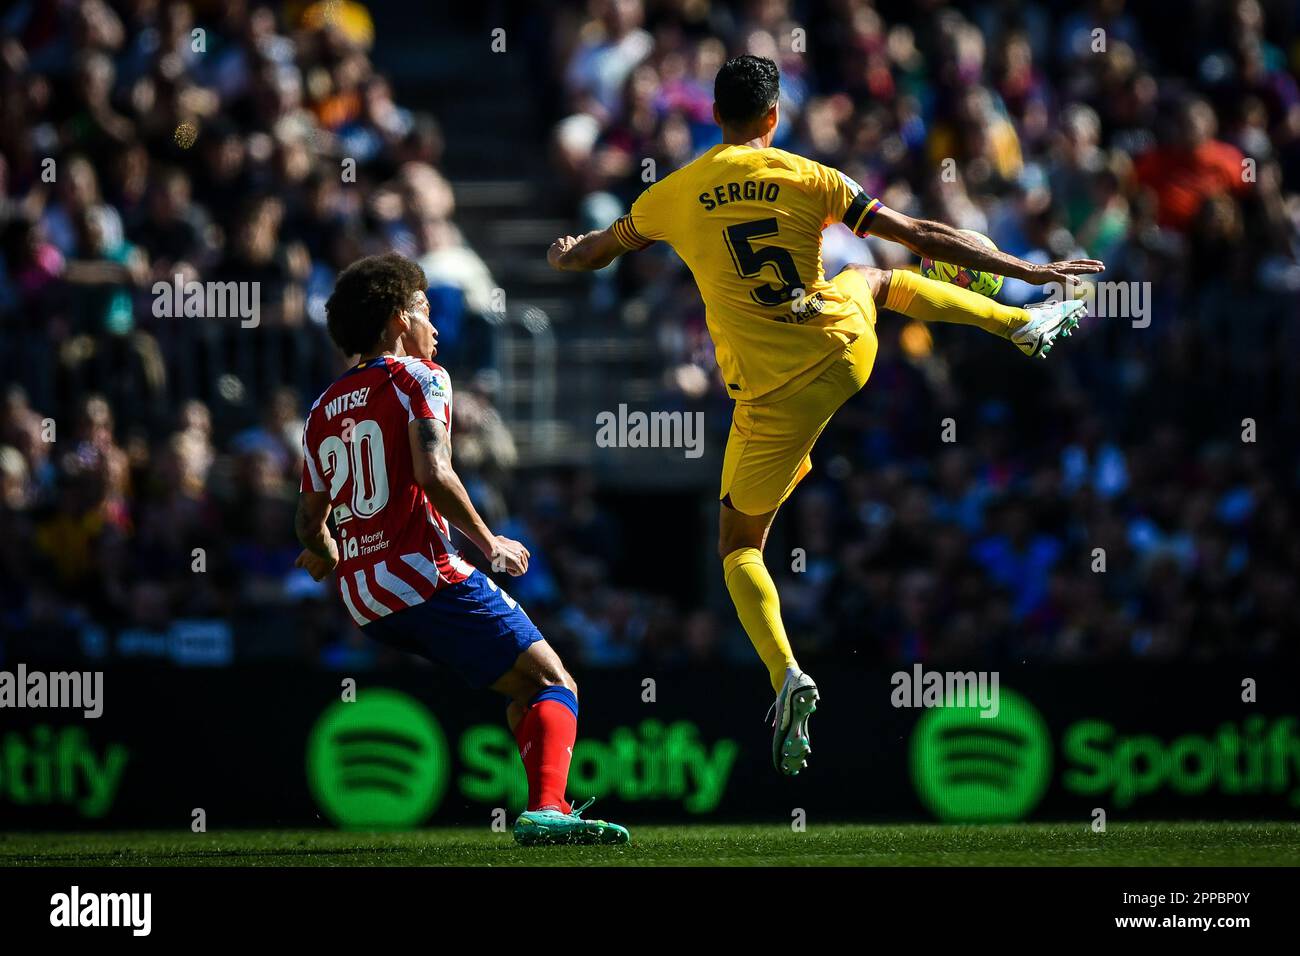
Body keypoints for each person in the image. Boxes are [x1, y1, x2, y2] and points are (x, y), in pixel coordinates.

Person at [547, 55, 1103, 777]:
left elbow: (599, 251)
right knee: (875, 276)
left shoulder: (673, 195)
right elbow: (923, 234)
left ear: (714, 116)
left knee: (739, 546)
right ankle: (1018, 323)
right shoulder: (811, 176)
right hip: (844, 347)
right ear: (773, 117)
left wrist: (565, 257)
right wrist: (1025, 270)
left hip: (770, 399)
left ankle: (785, 676)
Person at [293, 252, 628, 845]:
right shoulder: (420, 378)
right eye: (425, 312)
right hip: (423, 574)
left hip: (364, 600)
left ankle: (551, 806)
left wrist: (328, 551)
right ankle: (548, 811)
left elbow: (309, 523)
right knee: (558, 681)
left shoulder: (321, 409)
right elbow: (433, 473)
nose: (435, 328)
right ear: (400, 320)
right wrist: (490, 540)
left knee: (525, 686)